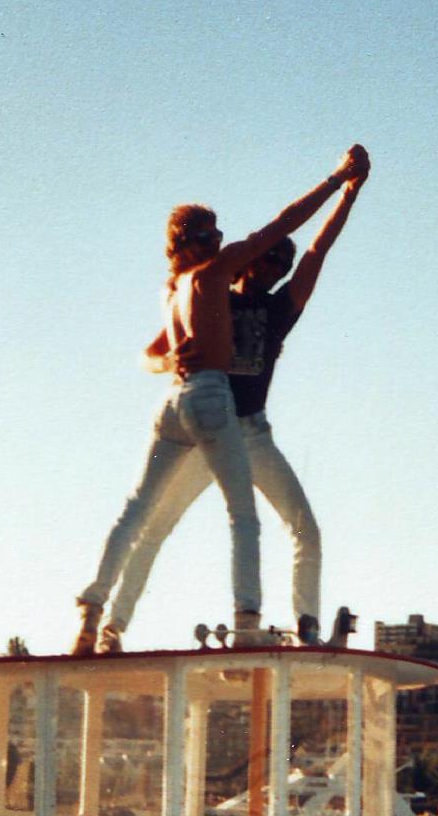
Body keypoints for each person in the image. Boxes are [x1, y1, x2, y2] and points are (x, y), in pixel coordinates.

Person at [75, 146, 366, 654]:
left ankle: (306, 625)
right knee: (160, 525)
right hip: (206, 422)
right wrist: (171, 362)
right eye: (270, 256)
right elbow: (148, 355)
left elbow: (317, 251)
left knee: (304, 527)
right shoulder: (214, 289)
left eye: (283, 262)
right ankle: (111, 628)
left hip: (247, 429)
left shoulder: (279, 309)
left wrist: (350, 193)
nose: (275, 264)